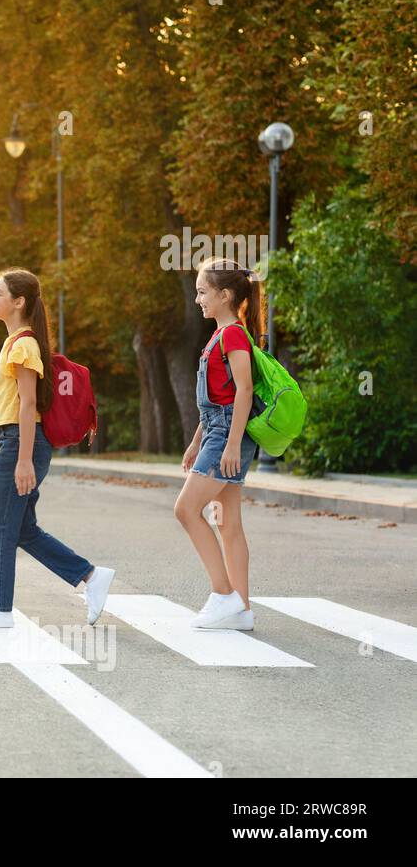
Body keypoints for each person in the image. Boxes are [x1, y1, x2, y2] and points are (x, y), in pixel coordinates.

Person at [0, 268, 115, 628]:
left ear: (19, 302)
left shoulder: (24, 345)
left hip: (22, 443)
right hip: (15, 440)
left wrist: (22, 461)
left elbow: (28, 405)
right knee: (21, 529)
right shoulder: (14, 344)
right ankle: (91, 577)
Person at [177, 258, 263, 630]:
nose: (198, 299)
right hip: (216, 431)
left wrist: (230, 445)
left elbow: (243, 391)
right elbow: (216, 399)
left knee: (185, 510)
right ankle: (241, 610)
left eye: (202, 292)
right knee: (227, 524)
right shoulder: (221, 334)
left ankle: (223, 594)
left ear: (225, 295)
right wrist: (197, 441)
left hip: (228, 434)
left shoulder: (233, 335)